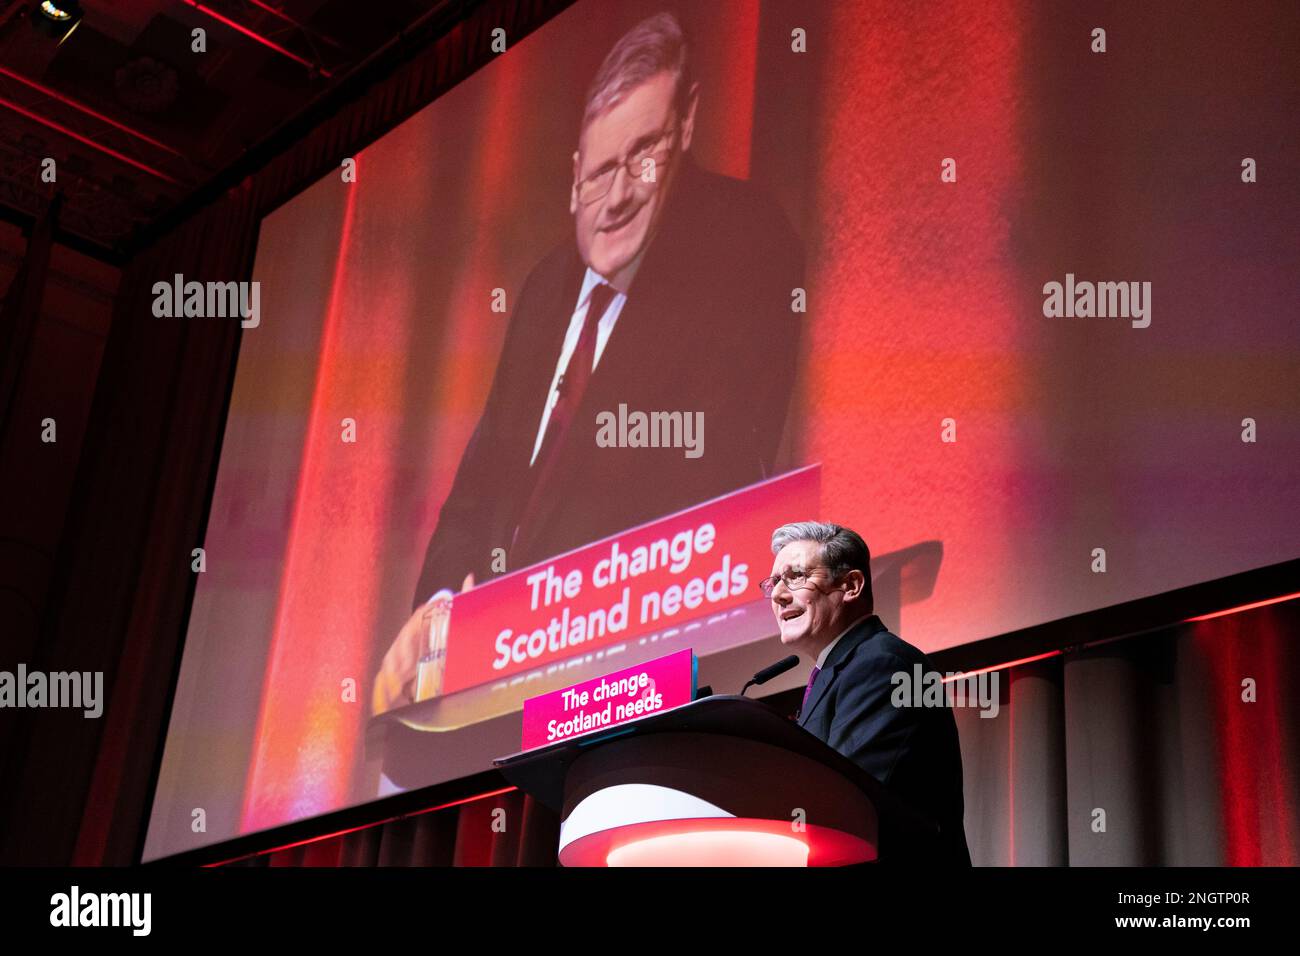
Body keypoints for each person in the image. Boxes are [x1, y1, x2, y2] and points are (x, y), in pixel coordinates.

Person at [372, 12, 803, 715]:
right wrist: (440, 614)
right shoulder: (545, 288)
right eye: (601, 171)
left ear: (686, 127)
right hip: (497, 691)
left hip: (638, 677)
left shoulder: (746, 243)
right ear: (574, 175)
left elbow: (709, 473)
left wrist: (536, 614)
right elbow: (479, 488)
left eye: (646, 155)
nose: (619, 195)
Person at [761, 520, 972, 865]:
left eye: (796, 576)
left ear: (851, 585)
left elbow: (846, 802)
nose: (779, 595)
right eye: (773, 583)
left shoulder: (883, 665)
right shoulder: (842, 670)